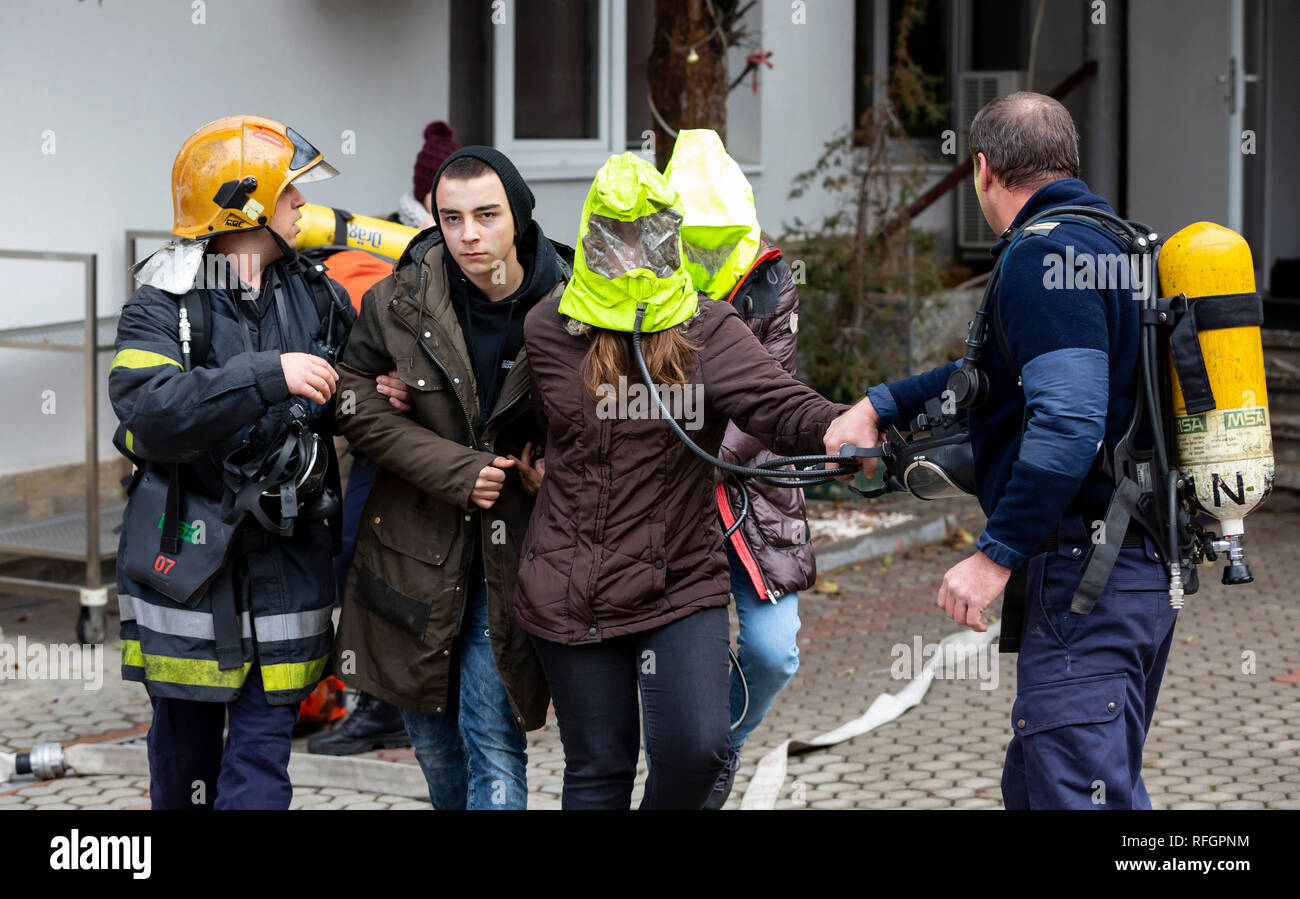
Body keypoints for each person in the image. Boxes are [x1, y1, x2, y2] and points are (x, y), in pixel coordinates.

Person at [825, 92, 1178, 809]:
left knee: (1077, 791)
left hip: (1087, 575)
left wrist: (993, 557)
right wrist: (881, 404)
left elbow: (1071, 421)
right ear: (1067, 163)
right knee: (1038, 784)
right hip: (1132, 571)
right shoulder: (1116, 243)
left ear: (983, 169)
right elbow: (993, 381)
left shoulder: (1044, 253)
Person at [516, 152, 847, 810]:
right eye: (618, 236)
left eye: (650, 236)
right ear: (592, 238)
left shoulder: (707, 329)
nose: (634, 252)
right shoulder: (549, 326)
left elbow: (780, 405)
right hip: (570, 583)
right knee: (598, 769)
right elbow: (518, 416)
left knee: (699, 749)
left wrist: (852, 424)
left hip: (677, 577)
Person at [110, 116, 352, 809]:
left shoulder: (318, 293)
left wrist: (370, 393)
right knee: (185, 770)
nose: (303, 205)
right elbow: (148, 412)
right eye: (289, 194)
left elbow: (349, 390)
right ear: (245, 206)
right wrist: (266, 375)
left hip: (286, 569)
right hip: (185, 573)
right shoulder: (163, 304)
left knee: (259, 767)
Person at [332, 147, 567, 809]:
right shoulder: (400, 300)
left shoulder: (573, 301)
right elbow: (351, 399)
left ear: (518, 216)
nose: (468, 234)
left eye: (487, 215)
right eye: (452, 216)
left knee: (489, 733)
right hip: (414, 548)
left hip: (518, 551)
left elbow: (605, 412)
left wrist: (555, 466)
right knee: (432, 737)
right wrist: (459, 469)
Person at [664, 129, 813, 808]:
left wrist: (696, 461)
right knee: (657, 668)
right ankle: (684, 769)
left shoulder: (773, 282)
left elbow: (768, 404)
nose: (710, 258)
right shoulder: (635, 280)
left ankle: (722, 746)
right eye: (694, 242)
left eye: (720, 242)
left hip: (749, 491)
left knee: (773, 649)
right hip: (661, 499)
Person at [306, 121, 462, 757]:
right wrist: (381, 384)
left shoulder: (461, 251)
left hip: (432, 450)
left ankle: (388, 707)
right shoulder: (373, 249)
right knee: (363, 559)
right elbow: (361, 346)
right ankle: (372, 700)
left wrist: (415, 386)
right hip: (385, 439)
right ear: (427, 197)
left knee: (402, 569)